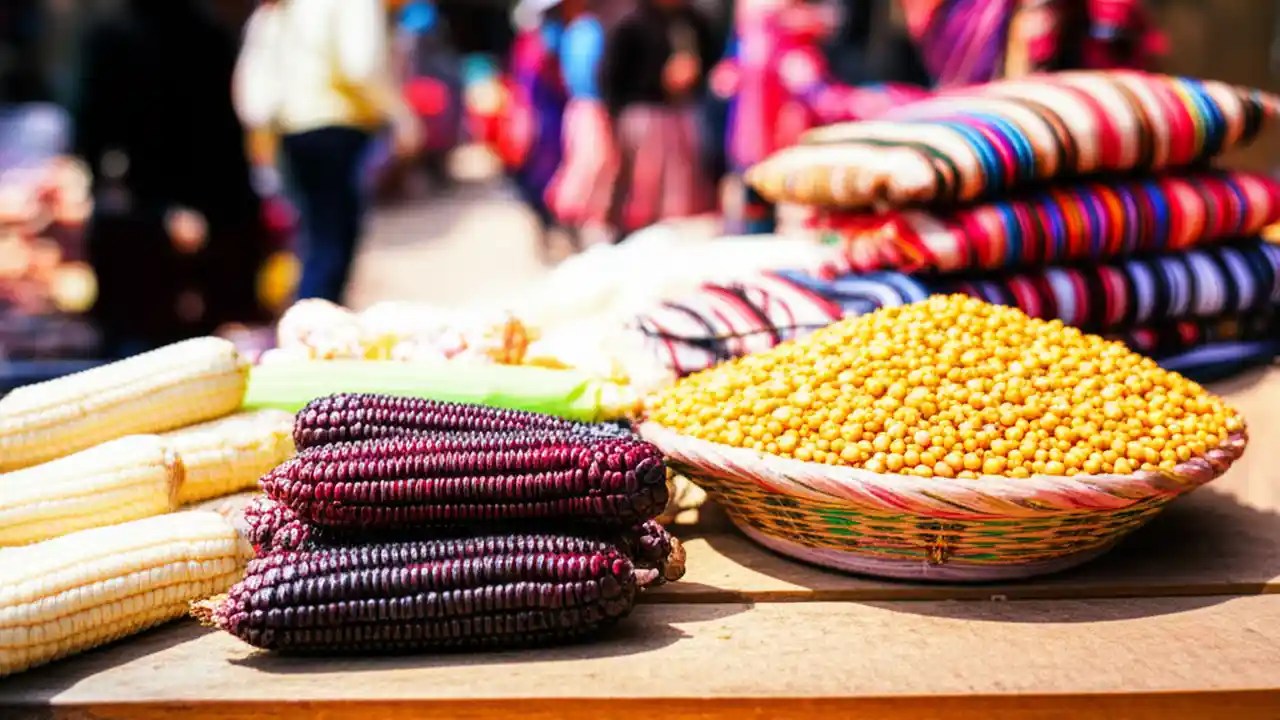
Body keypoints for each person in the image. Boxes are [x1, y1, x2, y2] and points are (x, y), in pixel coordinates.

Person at [75, 0, 269, 356]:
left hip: (143, 211)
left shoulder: (112, 33)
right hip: (189, 208)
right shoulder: (206, 33)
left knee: (132, 337)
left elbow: (92, 132)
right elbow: (223, 138)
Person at [234, 0, 422, 304]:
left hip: (290, 131)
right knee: (333, 242)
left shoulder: (280, 8)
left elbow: (252, 85)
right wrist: (401, 115)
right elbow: (361, 66)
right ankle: (313, 328)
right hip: (336, 128)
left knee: (314, 238)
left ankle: (311, 318)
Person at [601, 0, 719, 236]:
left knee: (680, 190)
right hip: (644, 116)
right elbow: (612, 78)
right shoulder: (632, 24)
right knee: (643, 187)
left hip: (681, 114)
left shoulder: (692, 21)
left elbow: (710, 58)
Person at [544, 0, 620, 246]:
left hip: (585, 108)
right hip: (588, 108)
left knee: (599, 165)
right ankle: (567, 219)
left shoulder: (580, 29)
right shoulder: (582, 30)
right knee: (592, 164)